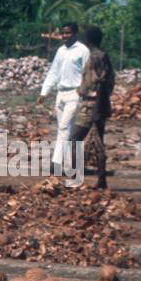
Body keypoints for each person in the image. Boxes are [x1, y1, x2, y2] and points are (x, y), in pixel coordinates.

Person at [36, 22, 90, 175]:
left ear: (75, 33)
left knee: (64, 128)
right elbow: (54, 72)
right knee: (64, 129)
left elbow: (87, 72)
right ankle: (70, 164)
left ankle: (56, 163)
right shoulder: (60, 51)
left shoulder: (83, 50)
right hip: (61, 94)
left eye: (68, 33)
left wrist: (83, 91)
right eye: (63, 33)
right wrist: (44, 92)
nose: (65, 36)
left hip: (75, 93)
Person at [69, 24, 116, 190]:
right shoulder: (102, 56)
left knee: (74, 139)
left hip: (92, 104)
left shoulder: (96, 57)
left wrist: (96, 108)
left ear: (88, 39)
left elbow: (101, 84)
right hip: (98, 104)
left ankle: (76, 177)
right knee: (98, 142)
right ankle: (101, 179)